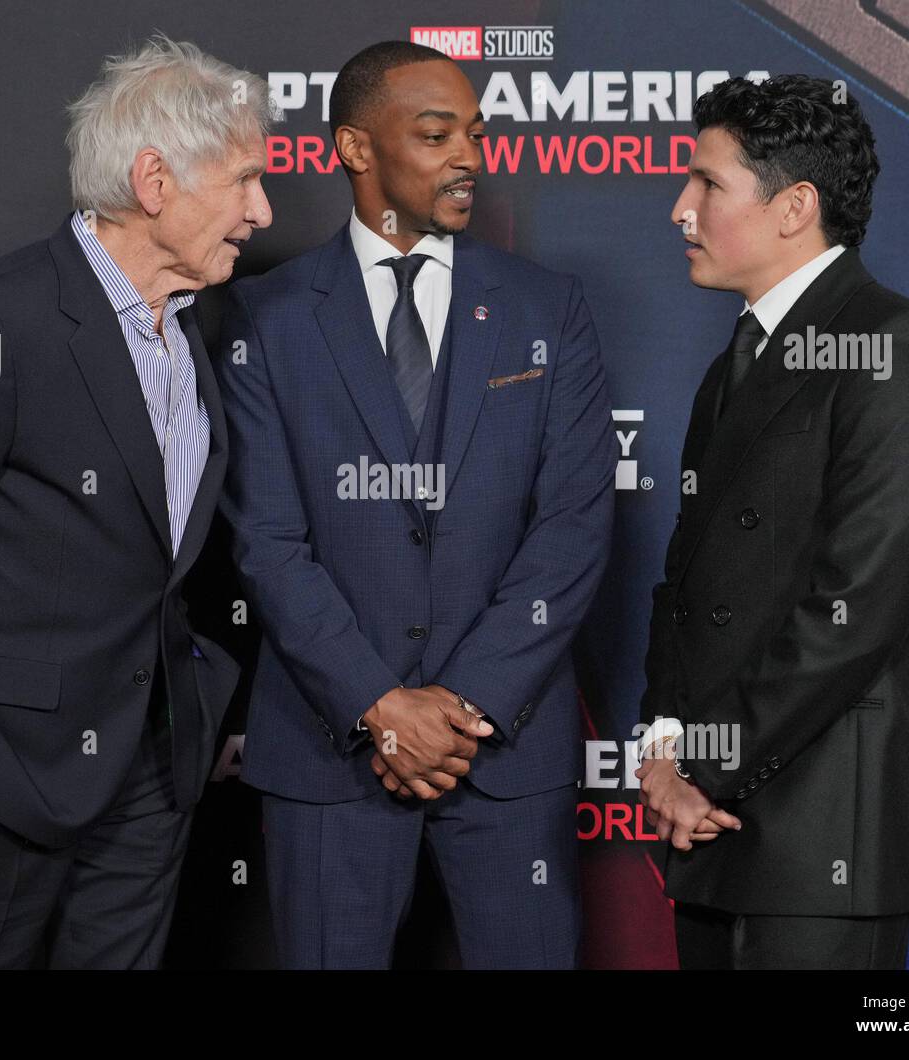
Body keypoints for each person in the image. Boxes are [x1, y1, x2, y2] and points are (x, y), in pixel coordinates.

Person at [0, 35, 272, 968]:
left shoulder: (190, 327)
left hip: (150, 782)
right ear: (154, 180)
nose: (261, 211)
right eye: (241, 182)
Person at [216, 40, 615, 969]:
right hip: (329, 747)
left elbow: (573, 529)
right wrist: (379, 705)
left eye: (475, 133)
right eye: (437, 135)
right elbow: (267, 543)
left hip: (506, 750)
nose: (468, 156)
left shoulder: (546, 309)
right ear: (357, 149)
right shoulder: (264, 318)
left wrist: (462, 702)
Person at [635, 74, 909, 970]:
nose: (681, 208)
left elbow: (854, 608)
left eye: (707, 183)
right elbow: (683, 583)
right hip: (705, 834)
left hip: (823, 839)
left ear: (795, 207)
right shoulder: (732, 362)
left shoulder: (897, 345)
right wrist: (665, 749)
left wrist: (701, 768)